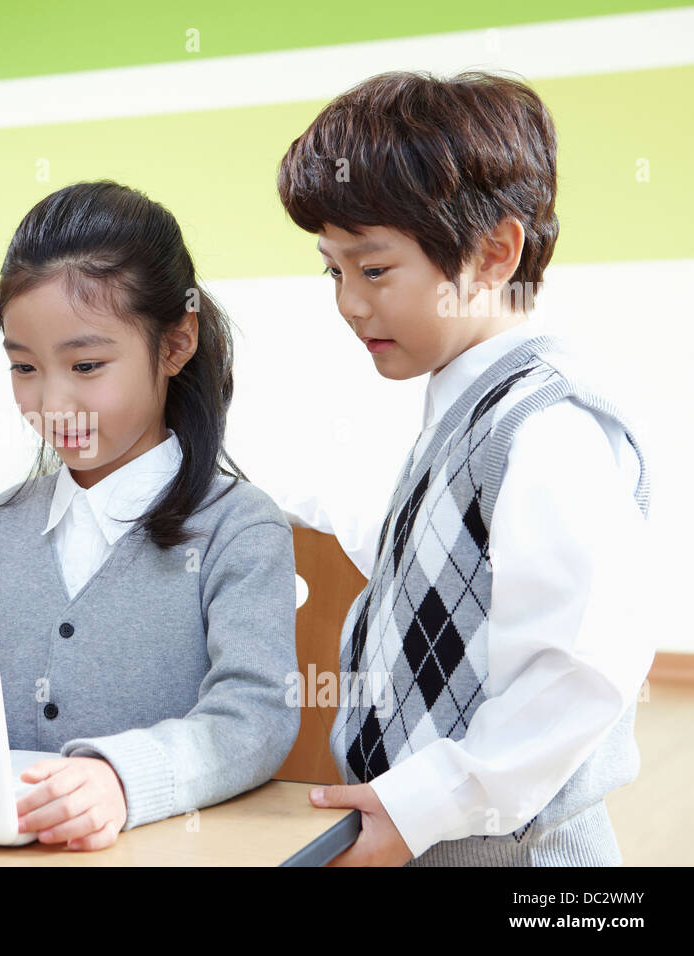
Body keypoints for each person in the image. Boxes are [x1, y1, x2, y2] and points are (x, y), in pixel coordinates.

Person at [276, 70, 653, 865]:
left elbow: (577, 672)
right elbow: (430, 552)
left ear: (492, 254)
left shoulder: (549, 428)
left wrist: (423, 806)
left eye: (373, 270)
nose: (348, 302)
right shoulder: (464, 404)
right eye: (332, 271)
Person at [0, 181, 300, 851]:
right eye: (24, 367)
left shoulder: (239, 528)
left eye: (87, 365)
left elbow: (258, 715)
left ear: (176, 343)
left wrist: (122, 780)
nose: (52, 400)